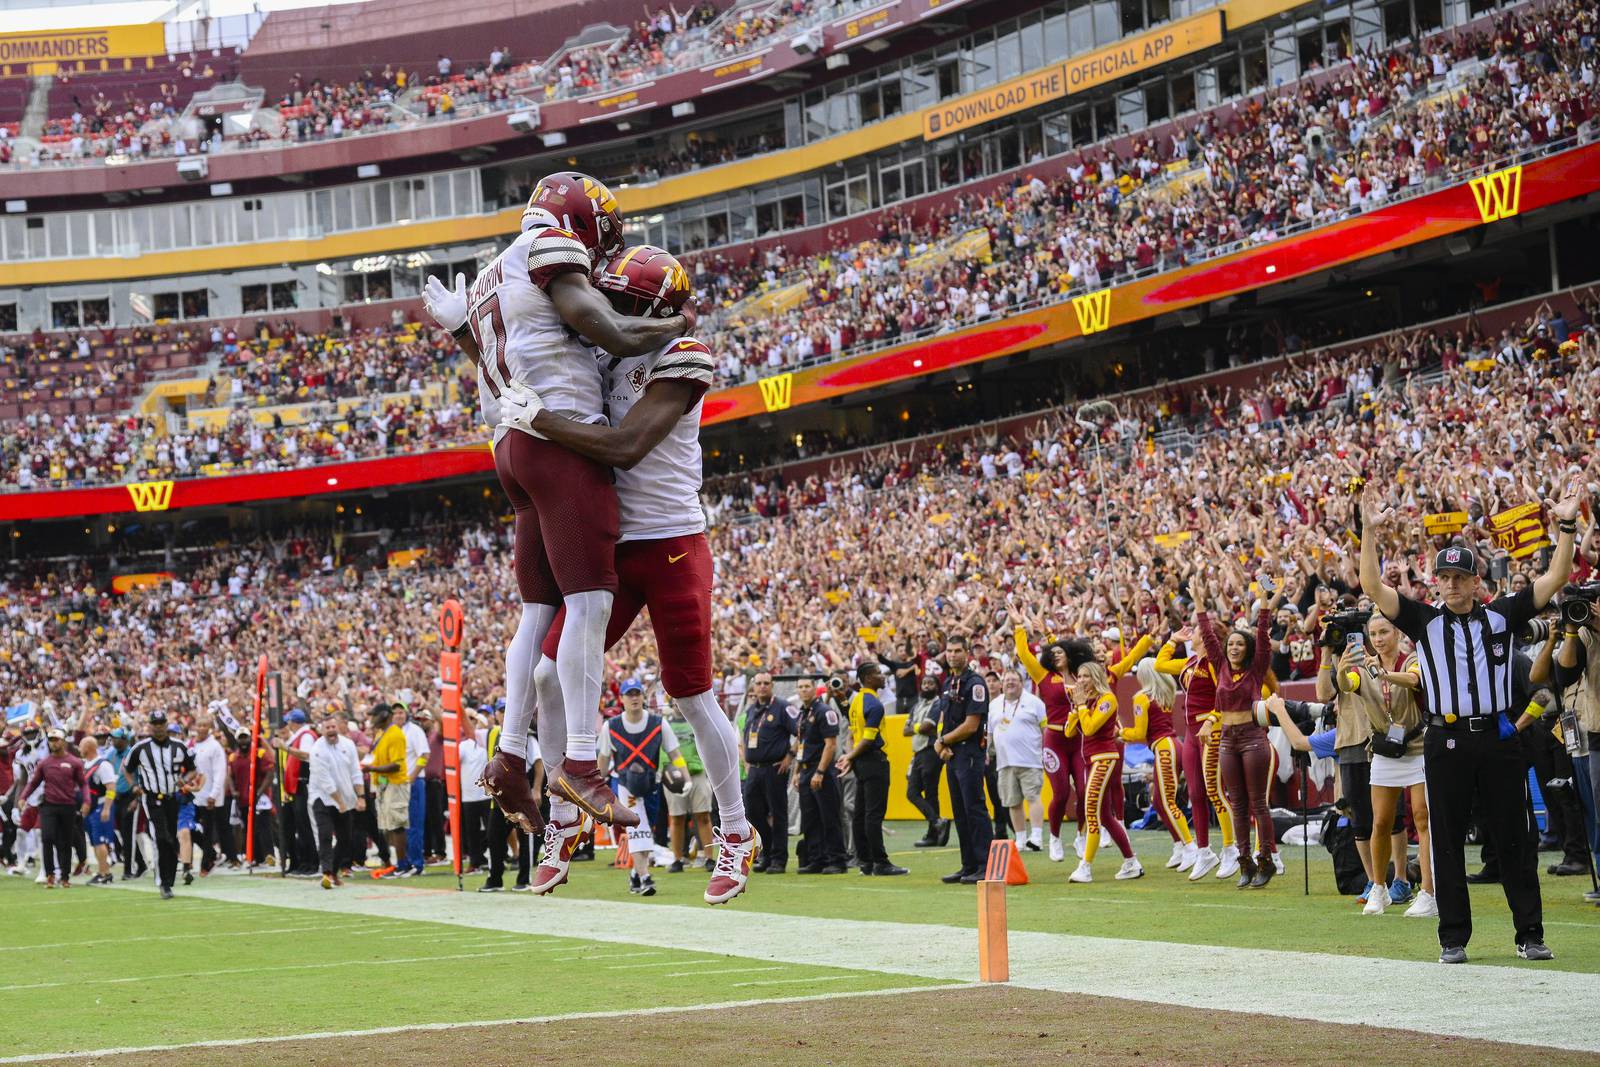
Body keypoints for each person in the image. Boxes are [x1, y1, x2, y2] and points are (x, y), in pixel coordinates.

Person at [424, 174, 696, 843]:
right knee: (590, 604)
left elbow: (499, 355)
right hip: (559, 439)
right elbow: (609, 329)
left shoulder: (492, 274)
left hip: (510, 447)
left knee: (537, 612)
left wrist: (458, 329)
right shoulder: (549, 246)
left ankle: (510, 754)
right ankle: (578, 762)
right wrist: (675, 322)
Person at [517, 243, 756, 904]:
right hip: (616, 545)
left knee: (691, 696)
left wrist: (540, 420)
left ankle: (736, 831)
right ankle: (564, 814)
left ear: (654, 310)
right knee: (546, 672)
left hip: (673, 543)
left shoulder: (684, 355)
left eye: (621, 301)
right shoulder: (601, 352)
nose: (606, 310)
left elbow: (624, 446)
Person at [1359, 479, 1580, 963]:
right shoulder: (1424, 620)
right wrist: (1369, 531)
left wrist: (1566, 526)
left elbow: (1557, 577)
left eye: (1461, 577)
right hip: (1445, 739)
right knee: (1447, 840)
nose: (1453, 585)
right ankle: (1453, 938)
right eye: (1446, 577)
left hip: (1497, 738)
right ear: (1436, 582)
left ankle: (1529, 934)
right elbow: (1372, 587)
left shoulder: (1502, 615)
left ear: (1476, 582)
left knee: (1515, 838)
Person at [1193, 570, 1284, 889]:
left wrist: (1264, 603)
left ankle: (1266, 861)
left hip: (1253, 738)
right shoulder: (1219, 666)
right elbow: (1208, 636)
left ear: (1246, 648)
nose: (1233, 648)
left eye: (1238, 644)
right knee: (1238, 804)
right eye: (1230, 643)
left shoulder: (1256, 669)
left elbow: (1263, 636)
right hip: (1227, 741)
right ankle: (1245, 862)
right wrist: (1199, 603)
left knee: (1258, 803)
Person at [1343, 614, 1436, 917]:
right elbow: (1348, 684)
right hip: (1384, 748)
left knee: (1422, 818)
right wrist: (1342, 671)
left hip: (1417, 745)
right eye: (1373, 634)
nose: (1378, 639)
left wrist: (1383, 674)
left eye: (1384, 632)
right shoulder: (1363, 667)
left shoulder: (1412, 659)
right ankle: (1379, 887)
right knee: (1381, 821)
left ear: (1397, 632)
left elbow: (1414, 680)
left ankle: (1428, 892)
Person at [598, 681, 689, 897]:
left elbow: (675, 754)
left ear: (643, 696)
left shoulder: (659, 723)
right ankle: (646, 877)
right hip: (624, 784)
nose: (634, 698)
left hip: (651, 784)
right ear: (622, 698)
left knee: (647, 831)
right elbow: (603, 759)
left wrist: (686, 778)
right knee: (637, 828)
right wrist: (597, 787)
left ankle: (635, 874)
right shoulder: (611, 726)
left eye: (637, 693)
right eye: (629, 694)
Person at [1157, 627, 1234, 880]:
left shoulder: (1214, 662)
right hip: (1191, 732)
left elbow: (1223, 696)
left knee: (1215, 790)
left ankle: (1231, 848)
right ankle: (1204, 851)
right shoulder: (1190, 661)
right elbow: (1160, 664)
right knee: (1195, 793)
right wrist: (1172, 640)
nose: (1191, 630)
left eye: (1197, 628)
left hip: (1210, 729)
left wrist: (1212, 720)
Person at [1067, 663, 1142, 883]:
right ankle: (1131, 862)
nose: (1081, 680)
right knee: (1106, 817)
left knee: (1091, 810)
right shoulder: (1085, 701)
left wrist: (1081, 707)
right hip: (1090, 760)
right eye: (1079, 676)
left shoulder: (1107, 699)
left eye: (1086, 676)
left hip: (1104, 757)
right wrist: (1077, 708)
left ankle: (1085, 866)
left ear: (1096, 678)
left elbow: (1090, 728)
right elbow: (1069, 732)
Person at [1012, 621, 1078, 863]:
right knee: (1061, 793)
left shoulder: (1081, 675)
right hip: (1055, 741)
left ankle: (1081, 836)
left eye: (1061, 652)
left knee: (1084, 791)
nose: (1057, 655)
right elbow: (1023, 653)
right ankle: (1055, 838)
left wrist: (1050, 635)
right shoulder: (1044, 676)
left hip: (1079, 740)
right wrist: (1019, 626)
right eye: (1054, 652)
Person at [1124, 659, 1196, 870]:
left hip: (1165, 747)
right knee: (1159, 801)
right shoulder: (1164, 694)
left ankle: (1190, 846)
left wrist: (1120, 732)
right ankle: (1179, 845)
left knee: (1166, 802)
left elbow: (1138, 733)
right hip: (1173, 745)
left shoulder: (1142, 697)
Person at [122, 710, 195, 899]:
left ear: (166, 724)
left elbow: (192, 769)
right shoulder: (140, 748)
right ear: (150, 726)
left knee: (172, 839)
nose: (158, 727)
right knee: (161, 838)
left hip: (172, 797)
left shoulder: (179, 746)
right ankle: (164, 883)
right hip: (152, 798)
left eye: (161, 723)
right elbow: (127, 768)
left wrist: (185, 779)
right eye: (155, 724)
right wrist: (134, 786)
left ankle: (169, 879)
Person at [937, 635, 992, 885]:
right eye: (949, 650)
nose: (952, 655)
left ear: (967, 653)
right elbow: (945, 719)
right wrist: (942, 745)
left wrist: (943, 741)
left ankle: (985, 864)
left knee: (974, 809)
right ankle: (968, 864)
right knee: (959, 811)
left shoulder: (975, 683)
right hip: (952, 754)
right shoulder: (949, 682)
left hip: (969, 753)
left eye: (957, 650)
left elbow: (971, 725)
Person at [840, 662, 903, 876]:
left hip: (860, 763)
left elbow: (852, 735)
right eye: (878, 673)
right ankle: (880, 862)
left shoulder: (856, 701)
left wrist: (851, 757)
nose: (883, 676)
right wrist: (850, 756)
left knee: (860, 813)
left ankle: (865, 862)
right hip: (874, 761)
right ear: (867, 678)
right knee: (873, 814)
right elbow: (868, 739)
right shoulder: (874, 704)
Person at [987, 669, 1047, 852]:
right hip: (1004, 761)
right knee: (1012, 802)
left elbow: (1045, 731)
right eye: (1006, 680)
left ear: (1022, 683)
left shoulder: (1034, 702)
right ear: (1001, 684)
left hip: (1030, 760)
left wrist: (1046, 753)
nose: (1010, 683)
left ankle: (1036, 837)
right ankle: (1020, 838)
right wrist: (987, 752)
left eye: (1014, 680)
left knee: (1033, 796)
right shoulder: (994, 705)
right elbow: (990, 732)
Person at [20, 729, 87, 889]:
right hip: (49, 805)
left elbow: (83, 784)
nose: (53, 743)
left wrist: (86, 801)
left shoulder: (74, 762)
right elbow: (33, 782)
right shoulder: (45, 763)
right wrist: (23, 797)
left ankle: (64, 876)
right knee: (47, 838)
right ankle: (49, 874)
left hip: (68, 805)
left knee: (65, 841)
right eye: (51, 740)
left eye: (56, 739)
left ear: (63, 741)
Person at [742, 672, 795, 874]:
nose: (762, 686)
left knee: (778, 814)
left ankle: (779, 859)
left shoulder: (782, 707)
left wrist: (790, 756)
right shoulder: (751, 710)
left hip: (774, 768)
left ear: (772, 686)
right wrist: (747, 761)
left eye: (766, 683)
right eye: (759, 683)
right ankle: (766, 854)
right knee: (754, 813)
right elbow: (746, 738)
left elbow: (801, 731)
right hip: (754, 770)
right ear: (754, 686)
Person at [795, 684, 846, 874]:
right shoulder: (803, 713)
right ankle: (817, 859)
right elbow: (801, 743)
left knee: (829, 817)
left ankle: (837, 860)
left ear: (814, 689)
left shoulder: (824, 711)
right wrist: (797, 771)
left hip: (821, 769)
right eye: (800, 687)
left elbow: (830, 745)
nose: (804, 690)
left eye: (807, 686)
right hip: (806, 769)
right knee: (810, 819)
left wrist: (820, 772)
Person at [308, 715, 362, 889]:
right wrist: (340, 803)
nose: (331, 730)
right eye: (327, 728)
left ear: (338, 727)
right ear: (322, 731)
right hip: (322, 796)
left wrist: (360, 796)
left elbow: (356, 771)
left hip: (344, 796)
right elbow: (326, 783)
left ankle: (333, 872)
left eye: (333, 727)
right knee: (325, 834)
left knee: (345, 838)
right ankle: (326, 872)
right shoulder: (317, 750)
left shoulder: (348, 745)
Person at [663, 701, 714, 873]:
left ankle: (709, 857)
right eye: (675, 702)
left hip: (696, 772)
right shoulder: (666, 724)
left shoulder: (697, 721)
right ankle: (677, 859)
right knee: (676, 817)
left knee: (703, 816)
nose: (678, 705)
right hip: (675, 776)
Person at [364, 704, 412, 879]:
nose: (371, 719)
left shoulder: (395, 734)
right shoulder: (381, 733)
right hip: (384, 785)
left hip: (396, 783)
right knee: (388, 826)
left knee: (397, 825)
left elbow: (396, 764)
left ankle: (403, 865)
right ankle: (397, 864)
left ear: (384, 715)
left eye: (374, 715)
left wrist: (372, 769)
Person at [903, 664, 949, 848]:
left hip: (931, 751)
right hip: (918, 752)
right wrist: (919, 727)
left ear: (937, 687)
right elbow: (905, 731)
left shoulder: (938, 704)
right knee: (912, 792)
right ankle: (937, 822)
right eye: (924, 683)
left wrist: (916, 727)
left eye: (931, 683)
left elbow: (927, 727)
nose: (927, 686)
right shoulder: (917, 705)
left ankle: (933, 833)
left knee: (931, 792)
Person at [190, 718, 227, 877]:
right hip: (194, 795)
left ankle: (207, 863)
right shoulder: (193, 745)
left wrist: (214, 794)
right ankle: (212, 854)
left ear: (209, 727)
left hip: (209, 796)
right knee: (189, 827)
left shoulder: (214, 746)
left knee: (207, 831)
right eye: (199, 725)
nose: (201, 728)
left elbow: (220, 772)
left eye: (204, 725)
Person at [80, 736, 119, 885]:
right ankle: (103, 871)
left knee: (99, 840)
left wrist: (107, 808)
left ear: (88, 747)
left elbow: (111, 788)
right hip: (90, 807)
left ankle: (105, 873)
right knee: (94, 841)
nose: (79, 749)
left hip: (100, 805)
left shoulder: (103, 765)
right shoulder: (85, 765)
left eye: (81, 746)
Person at [459, 718, 491, 871]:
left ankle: (497, 858)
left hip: (487, 795)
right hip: (469, 797)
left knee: (491, 830)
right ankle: (475, 861)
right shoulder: (463, 745)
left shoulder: (488, 743)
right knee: (471, 832)